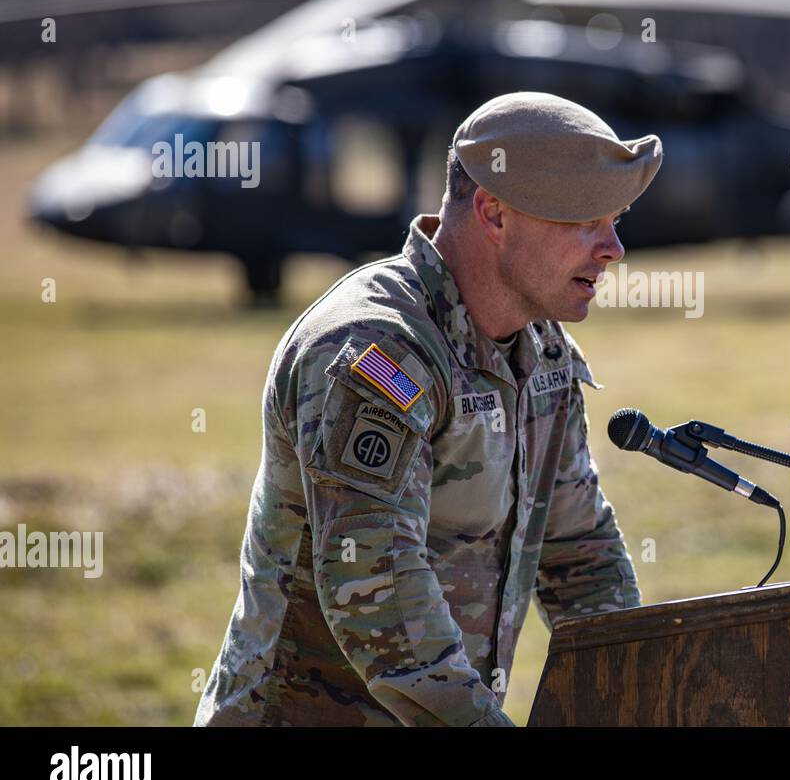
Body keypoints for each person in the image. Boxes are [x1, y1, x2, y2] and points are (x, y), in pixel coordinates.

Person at [195, 91, 663, 726]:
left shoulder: (542, 352)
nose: (612, 248)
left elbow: (578, 550)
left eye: (616, 220)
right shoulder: (376, 352)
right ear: (494, 212)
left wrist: (639, 694)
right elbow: (377, 587)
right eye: (584, 221)